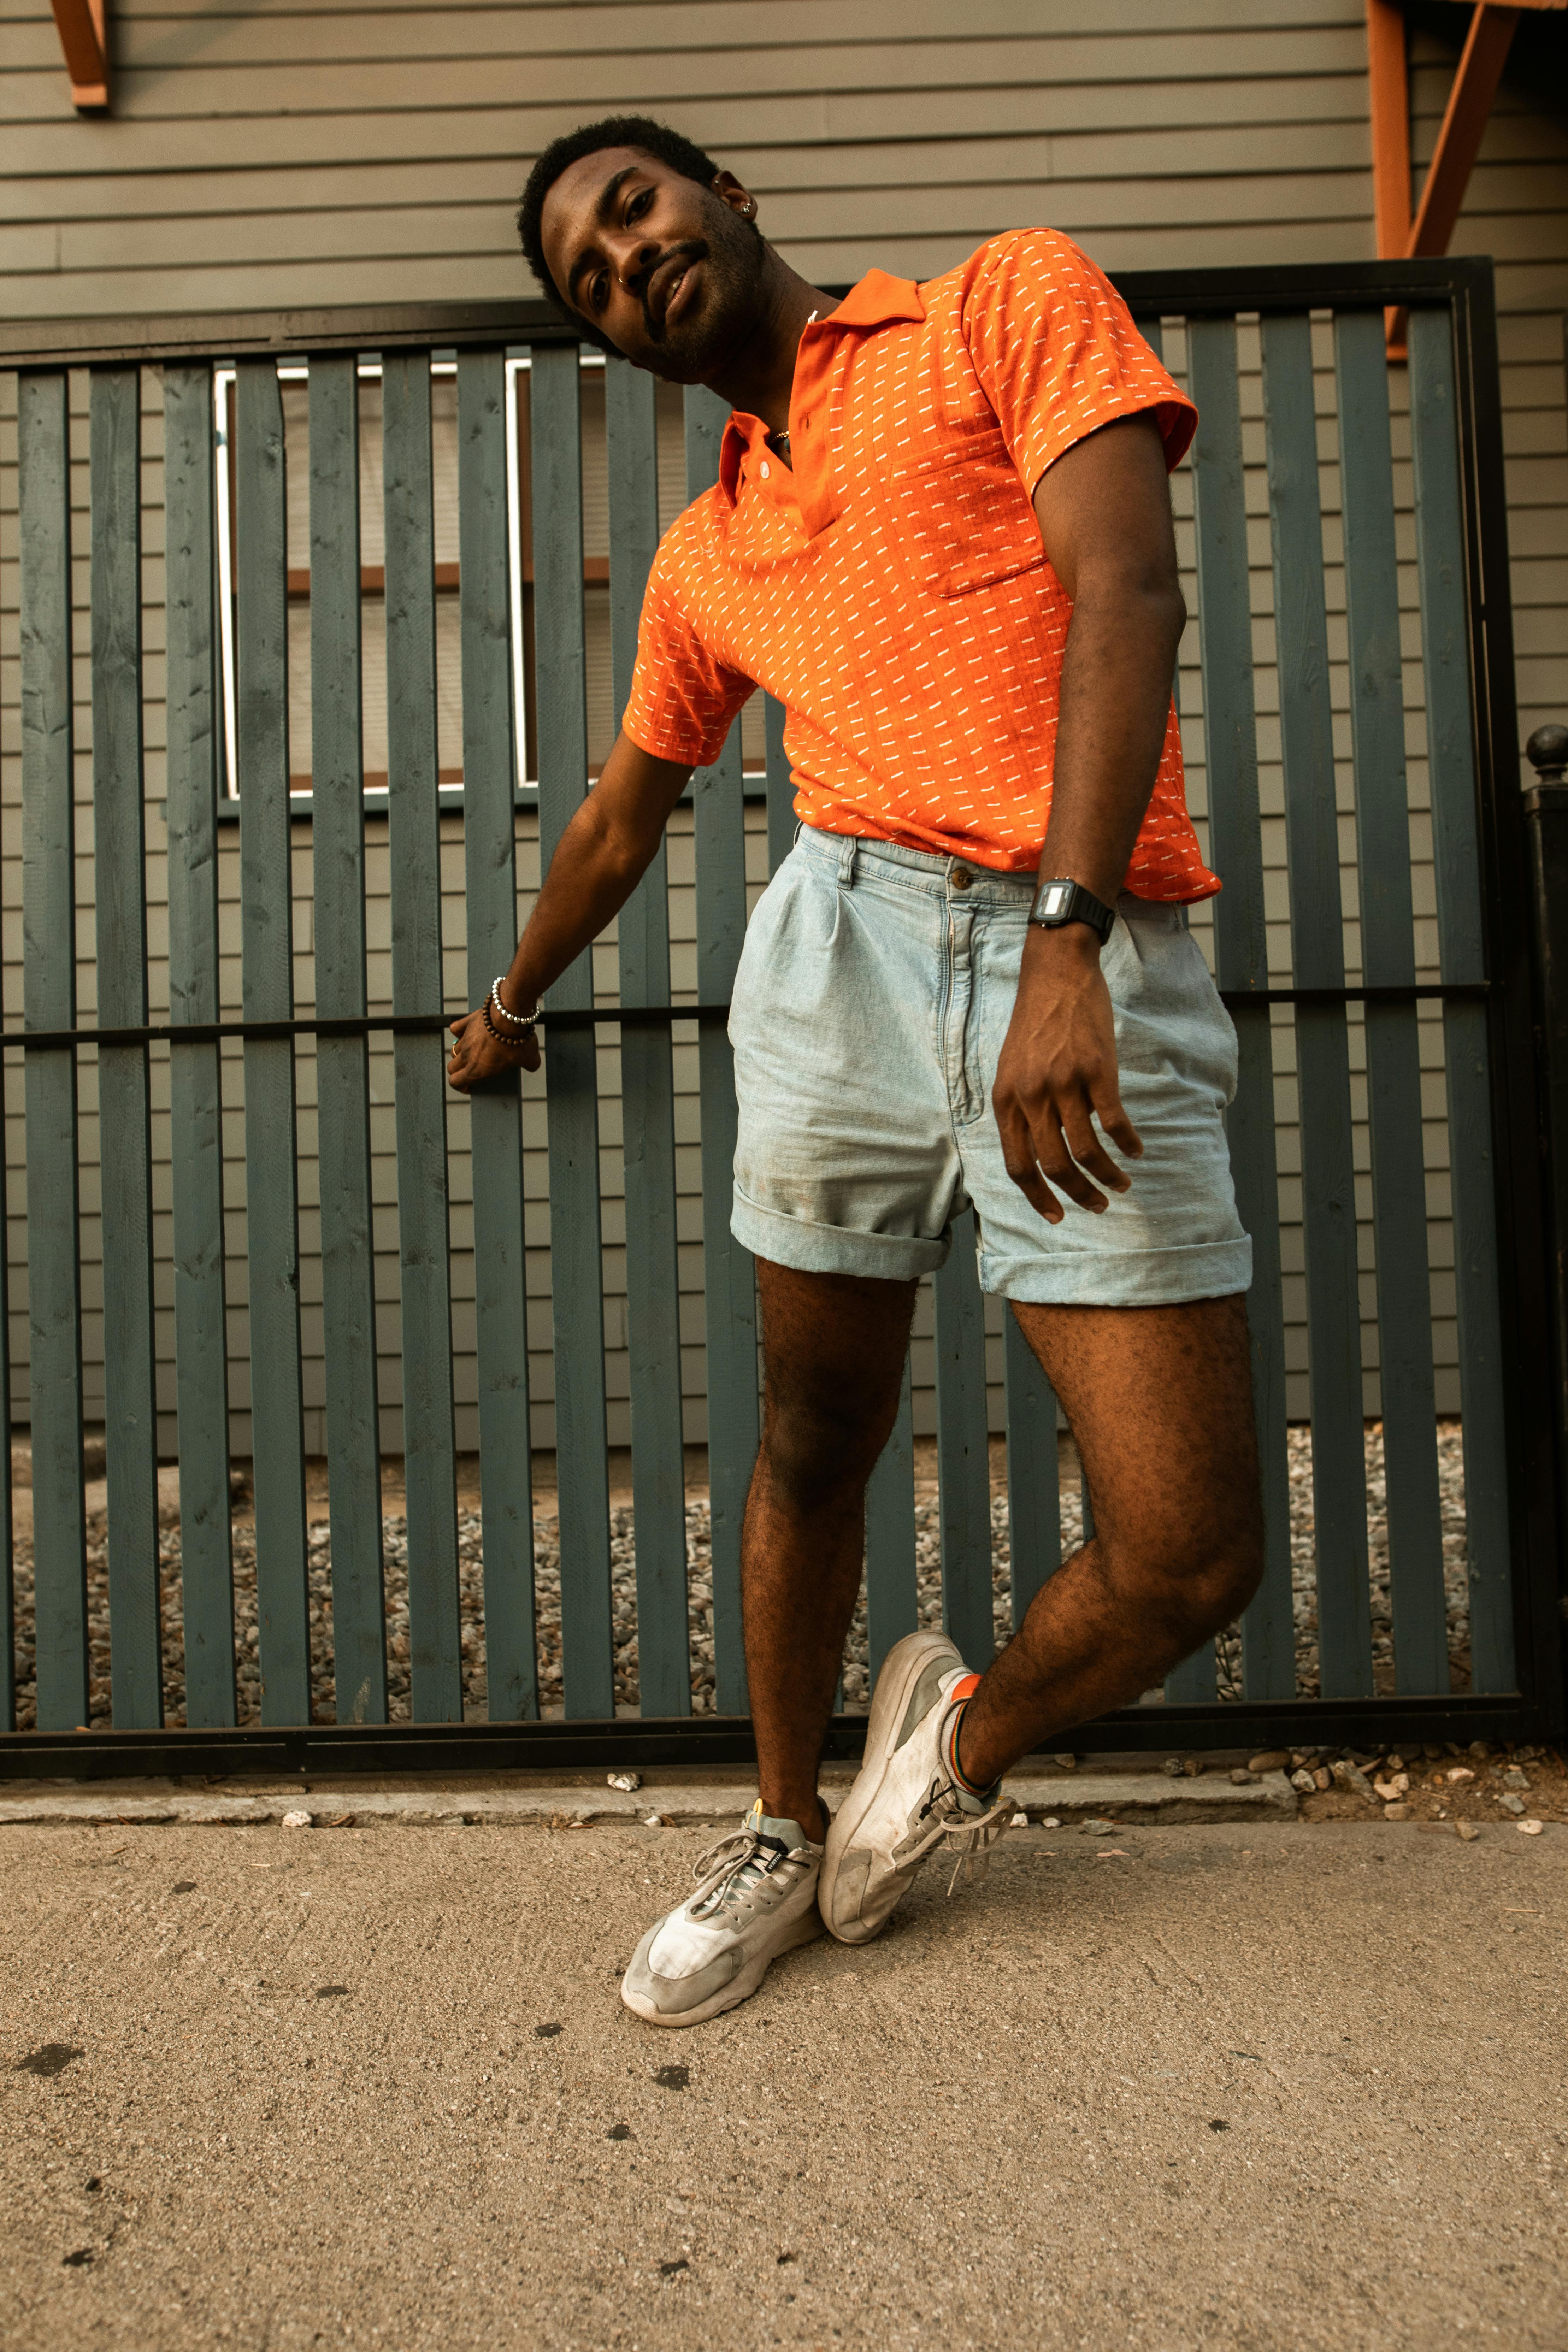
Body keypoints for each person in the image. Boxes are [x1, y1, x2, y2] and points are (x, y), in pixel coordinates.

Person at [447, 115, 1265, 2028]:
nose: (620, 261)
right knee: (814, 1436)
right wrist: (510, 995)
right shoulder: (702, 552)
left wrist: (1059, 940)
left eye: (631, 209)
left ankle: (956, 1747)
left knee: (1188, 1547)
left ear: (724, 191)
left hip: (1084, 947)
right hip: (840, 962)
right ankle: (771, 1823)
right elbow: (619, 825)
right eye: (584, 273)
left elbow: (1124, 593)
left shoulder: (1001, 301)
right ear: (612, 340)